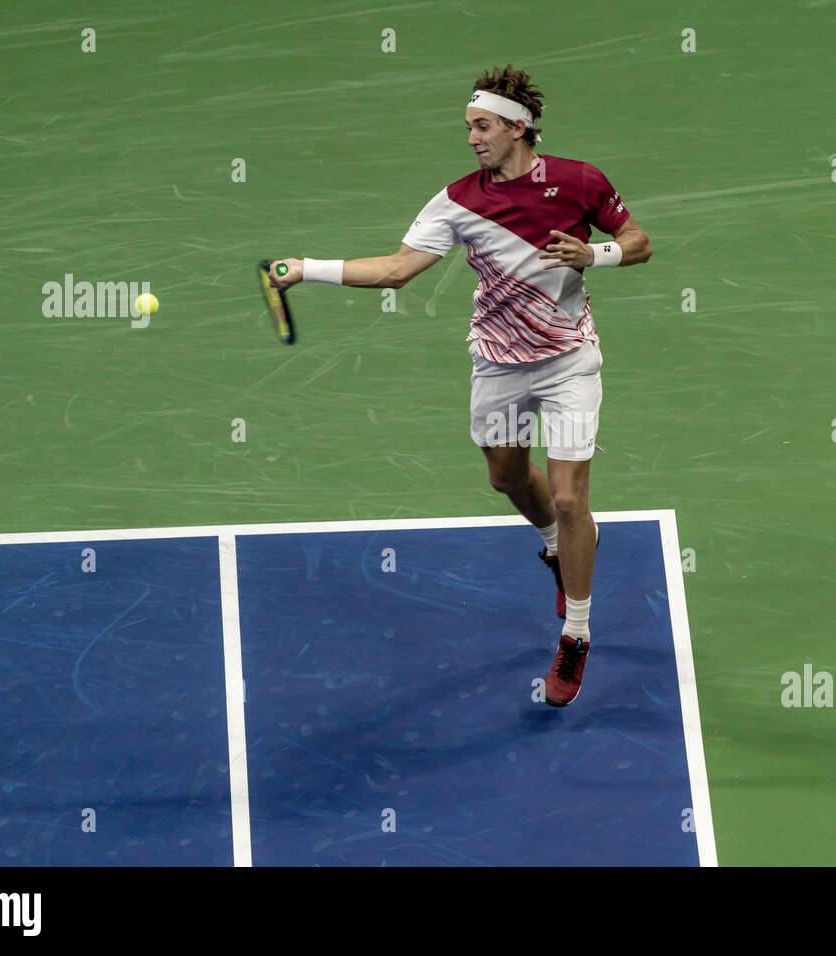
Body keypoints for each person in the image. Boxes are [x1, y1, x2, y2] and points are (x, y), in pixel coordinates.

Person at [269, 65, 652, 706]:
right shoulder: (456, 201)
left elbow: (638, 242)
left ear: (518, 127)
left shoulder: (581, 181)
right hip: (499, 364)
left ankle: (576, 635)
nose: (472, 138)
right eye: (469, 128)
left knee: (567, 496)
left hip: (568, 363)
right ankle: (557, 549)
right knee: (506, 477)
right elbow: (396, 270)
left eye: (482, 126)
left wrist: (597, 255)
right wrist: (305, 268)